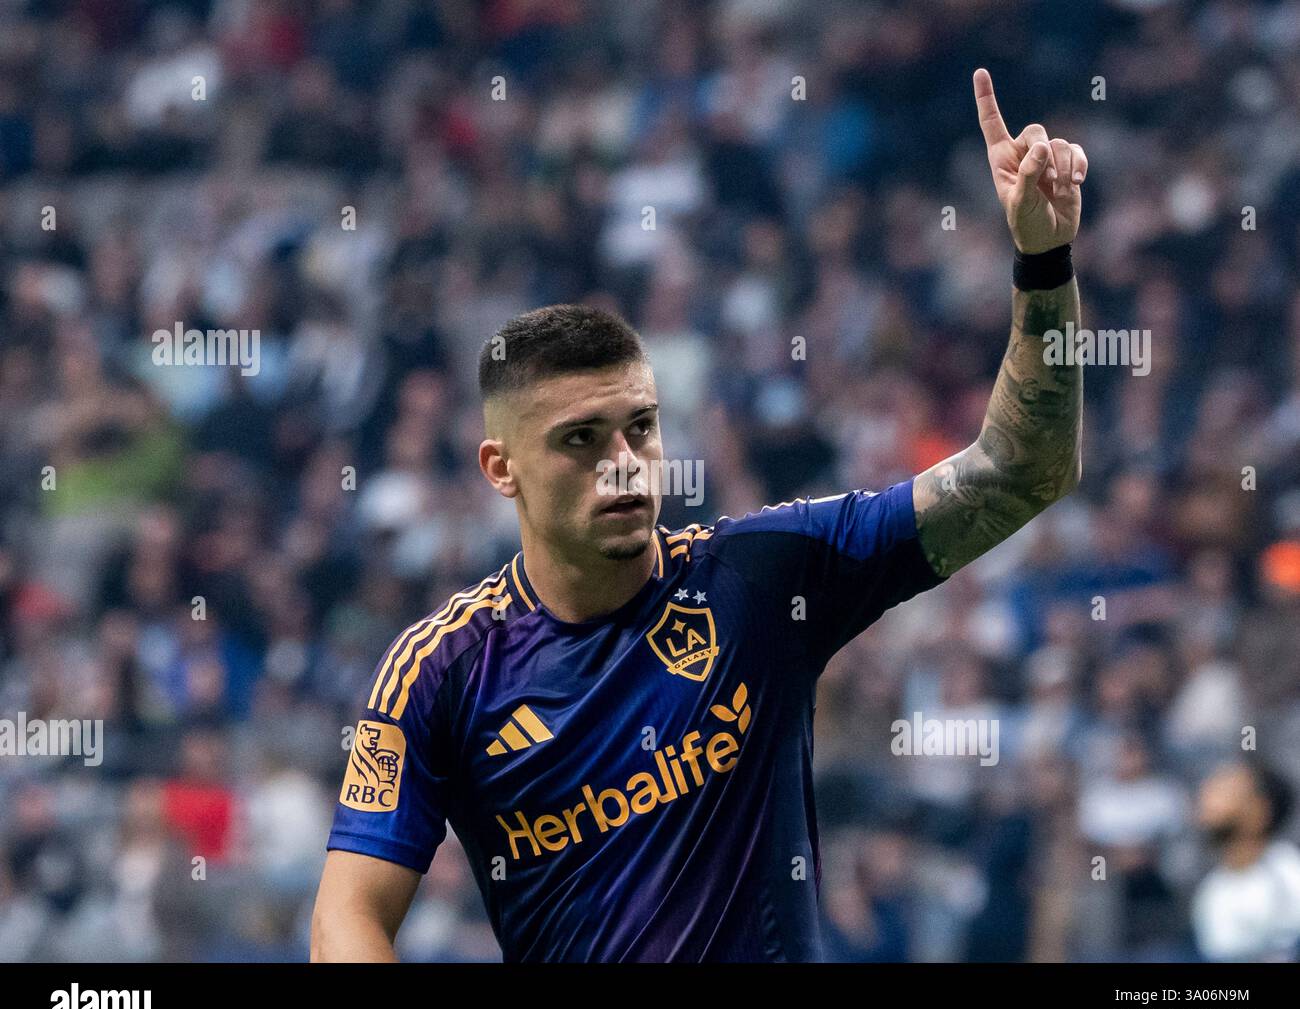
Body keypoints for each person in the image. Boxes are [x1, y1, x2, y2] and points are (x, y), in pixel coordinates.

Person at [310, 70, 1088, 962]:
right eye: (579, 440)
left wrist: (1043, 263)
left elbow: (1022, 470)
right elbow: (345, 920)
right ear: (502, 469)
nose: (623, 464)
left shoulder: (764, 576)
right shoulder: (438, 673)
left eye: (639, 428)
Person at [1192, 762, 1300, 961]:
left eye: (1226, 790)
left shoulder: (1290, 873)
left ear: (1260, 811)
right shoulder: (1211, 889)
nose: (1206, 795)